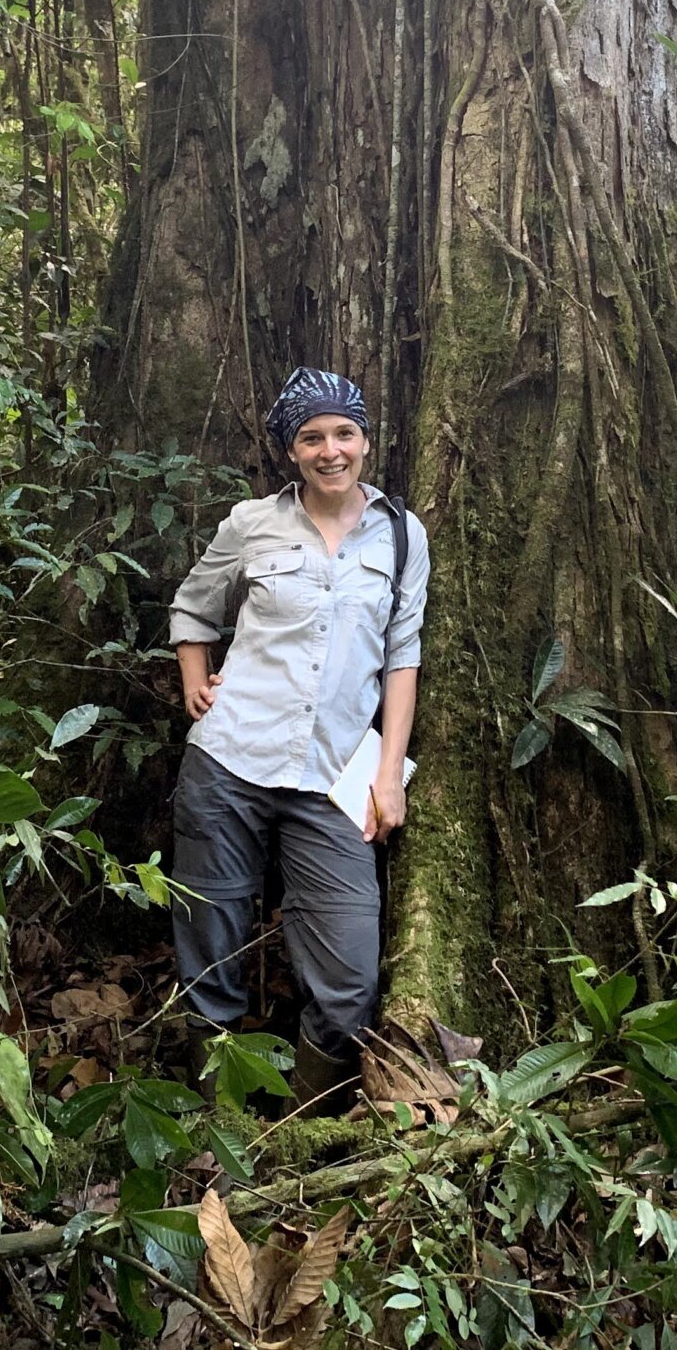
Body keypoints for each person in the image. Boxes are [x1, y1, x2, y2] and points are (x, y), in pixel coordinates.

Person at [167, 368, 430, 1106]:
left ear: (366, 440)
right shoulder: (251, 522)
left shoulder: (403, 535)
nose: (330, 450)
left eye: (343, 433)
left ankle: (302, 1133)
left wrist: (387, 775)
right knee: (209, 949)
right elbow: (193, 605)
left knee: (349, 978)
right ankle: (222, 1125)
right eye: (311, 437)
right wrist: (196, 672)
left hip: (333, 778)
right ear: (290, 451)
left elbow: (402, 656)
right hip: (228, 763)